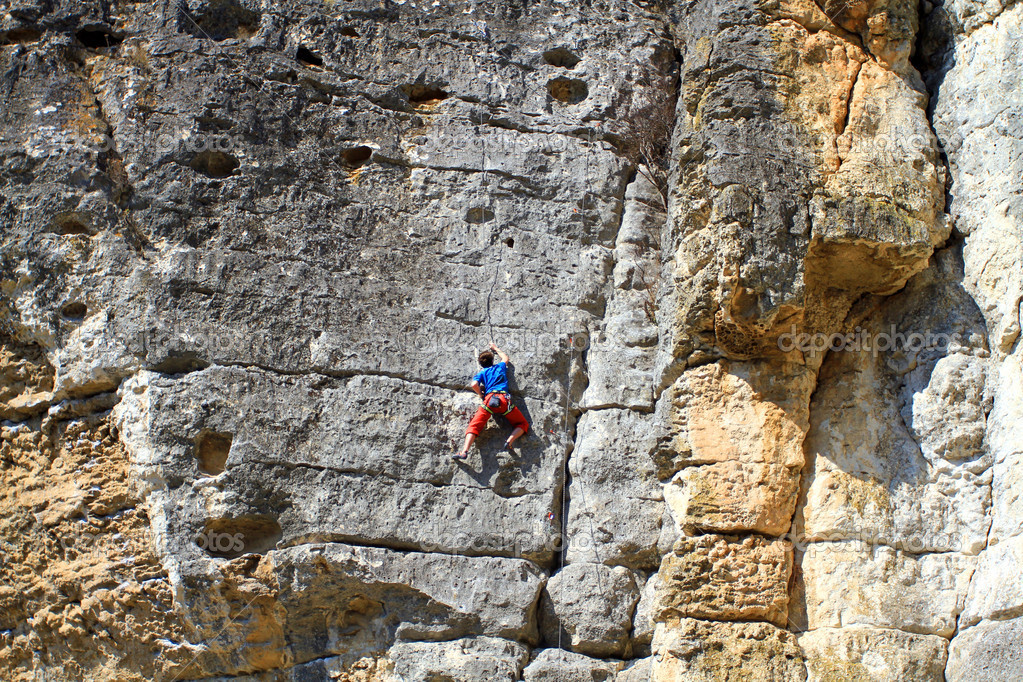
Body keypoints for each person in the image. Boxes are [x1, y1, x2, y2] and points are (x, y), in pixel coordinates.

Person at [453, 342, 530, 460]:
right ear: (492, 360)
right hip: (504, 400)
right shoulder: (500, 367)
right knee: (523, 424)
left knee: (474, 426)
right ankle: (509, 442)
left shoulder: (482, 372)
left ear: (481, 364)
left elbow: (474, 384)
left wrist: (481, 394)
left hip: (489, 400)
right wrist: (495, 348)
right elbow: (505, 358)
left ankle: (464, 451)